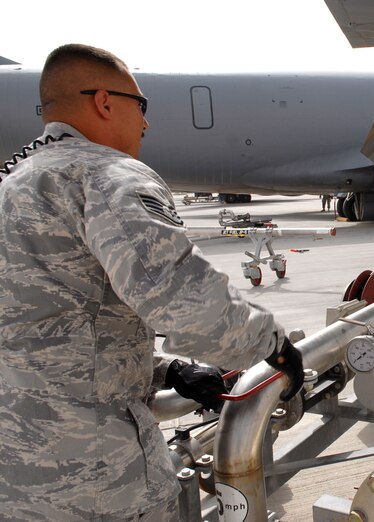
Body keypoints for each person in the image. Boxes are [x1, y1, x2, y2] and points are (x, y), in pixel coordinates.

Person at [0, 44, 304, 521]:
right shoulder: (104, 174)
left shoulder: (15, 185)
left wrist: (166, 370)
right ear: (104, 102)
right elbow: (182, 299)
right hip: (99, 481)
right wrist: (274, 345)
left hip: (17, 477)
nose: (145, 123)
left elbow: (48, 328)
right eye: (140, 106)